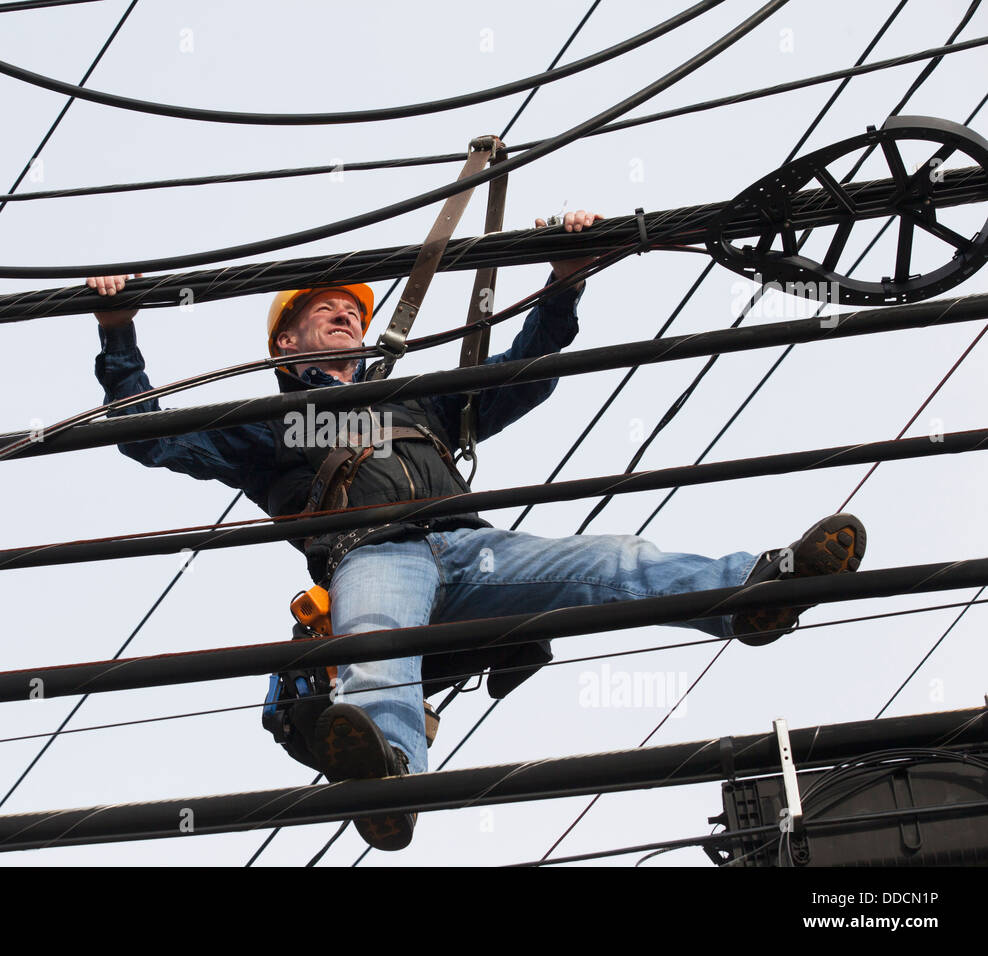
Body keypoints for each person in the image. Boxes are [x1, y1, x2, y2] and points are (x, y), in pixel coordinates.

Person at [88, 211, 867, 852]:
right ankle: (390, 773)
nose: (346, 314)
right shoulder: (266, 424)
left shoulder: (419, 400)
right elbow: (148, 434)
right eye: (324, 311)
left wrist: (562, 281)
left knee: (612, 559)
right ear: (285, 345)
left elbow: (521, 372)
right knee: (374, 638)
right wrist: (119, 332)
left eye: (354, 309)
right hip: (374, 551)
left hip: (468, 546)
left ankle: (755, 591)